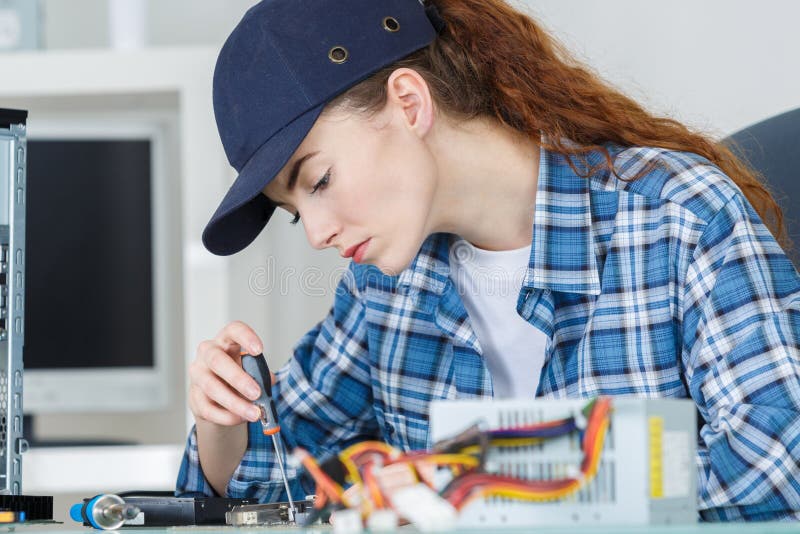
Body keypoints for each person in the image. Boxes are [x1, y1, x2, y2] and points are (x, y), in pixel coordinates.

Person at [176, 0, 800, 522]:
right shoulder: (384, 289)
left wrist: (485, 483)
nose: (315, 233)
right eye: (294, 211)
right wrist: (221, 421)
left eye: (318, 181)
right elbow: (266, 488)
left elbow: (781, 464)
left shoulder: (677, 217)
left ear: (409, 103)